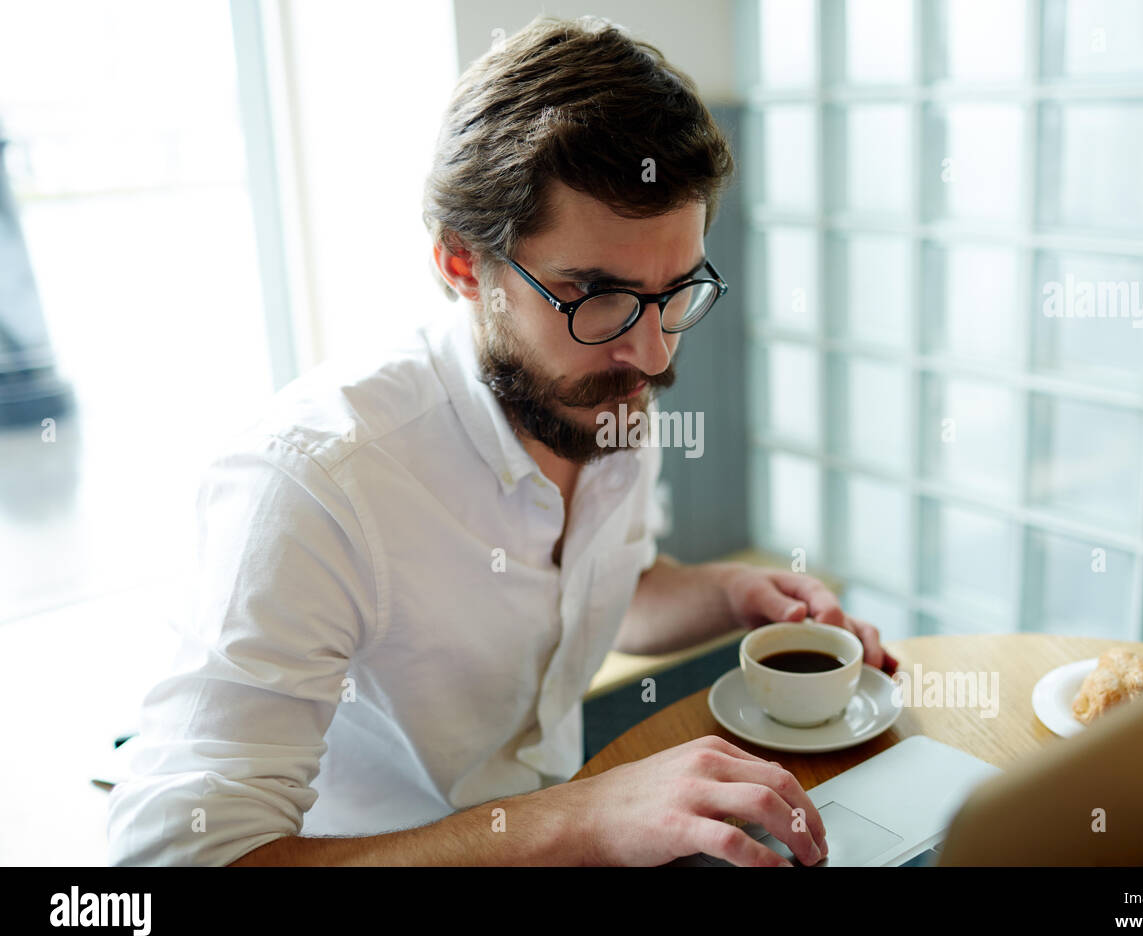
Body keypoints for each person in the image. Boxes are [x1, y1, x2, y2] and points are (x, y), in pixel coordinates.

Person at [105, 14, 894, 868]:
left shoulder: (601, 380)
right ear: (461, 264)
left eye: (676, 291)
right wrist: (578, 819)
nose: (656, 352)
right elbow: (161, 869)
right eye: (596, 293)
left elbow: (596, 593)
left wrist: (733, 592)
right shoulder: (310, 487)